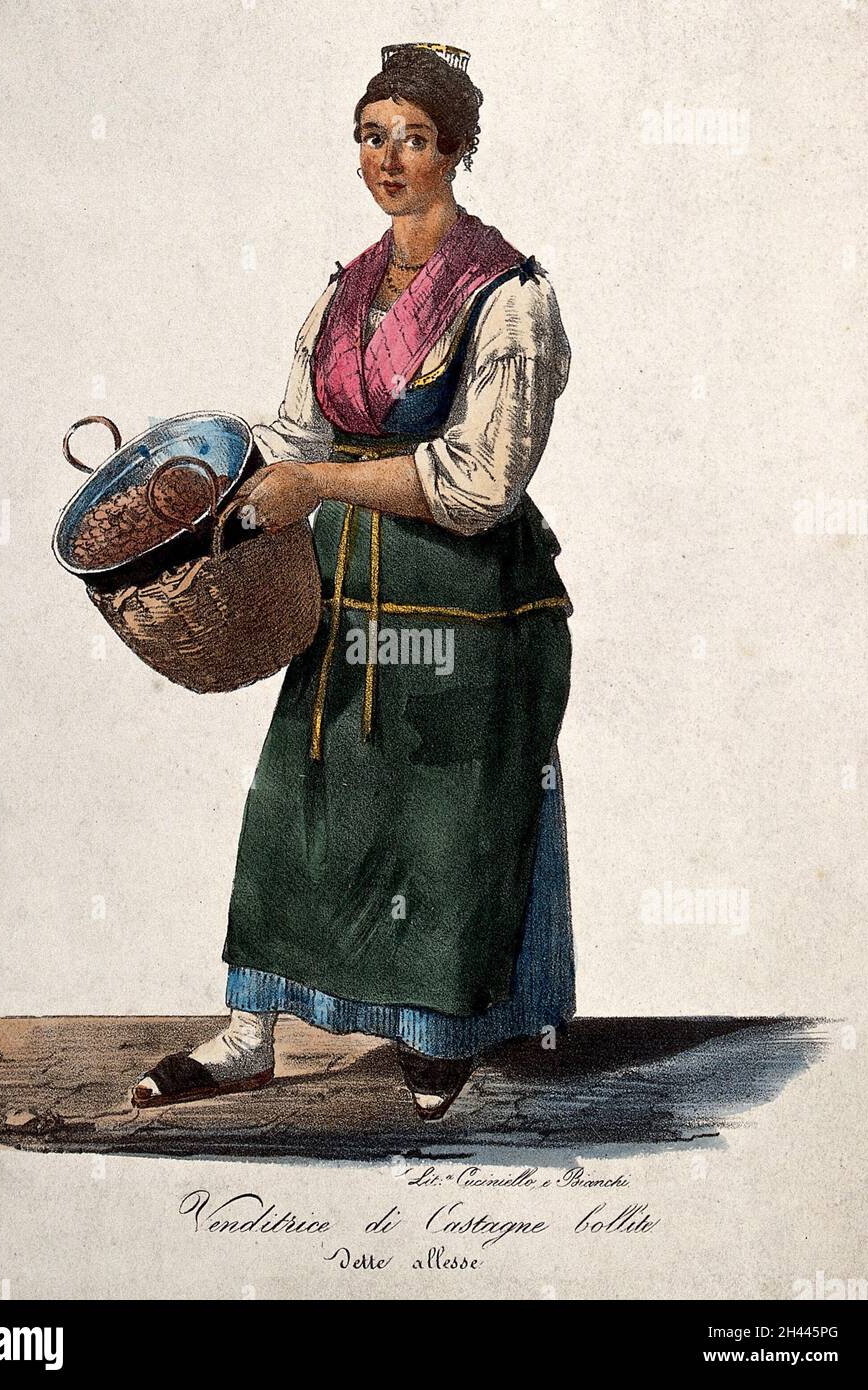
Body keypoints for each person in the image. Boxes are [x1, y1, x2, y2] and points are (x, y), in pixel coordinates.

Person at [134, 42, 575, 1121]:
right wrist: (215, 483)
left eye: (414, 138)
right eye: (372, 136)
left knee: (442, 817)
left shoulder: (509, 296)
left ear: (458, 149)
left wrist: (317, 480)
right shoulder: (344, 292)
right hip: (337, 596)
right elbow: (295, 428)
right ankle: (252, 1034)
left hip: (464, 603)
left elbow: (480, 483)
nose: (390, 158)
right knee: (303, 796)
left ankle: (436, 1040)